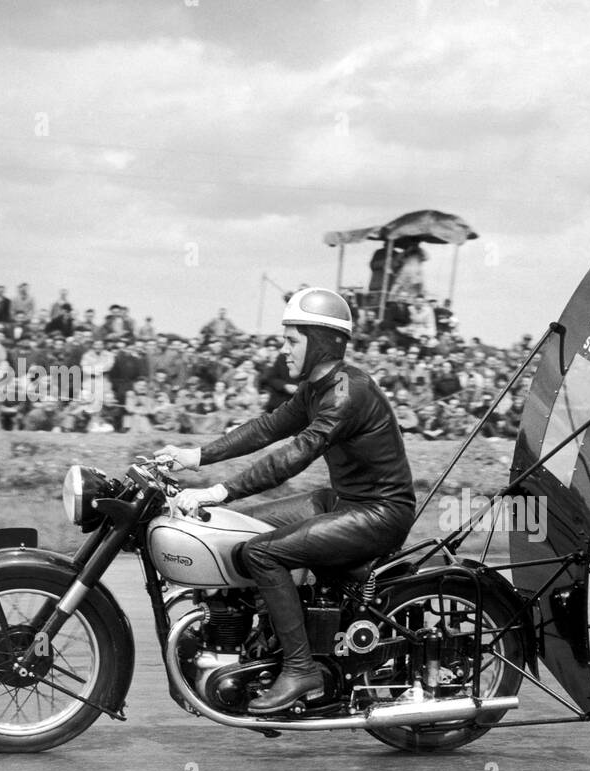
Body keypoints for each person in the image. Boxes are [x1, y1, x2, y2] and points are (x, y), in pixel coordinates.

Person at [156, 288, 416, 714]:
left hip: (379, 513)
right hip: (341, 501)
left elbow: (294, 455)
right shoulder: (317, 388)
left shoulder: (347, 394)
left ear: (321, 341)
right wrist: (195, 456)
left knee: (262, 554)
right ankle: (267, 638)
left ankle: (300, 669)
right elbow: (268, 427)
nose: (283, 348)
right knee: (235, 529)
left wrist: (215, 489)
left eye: (292, 340)